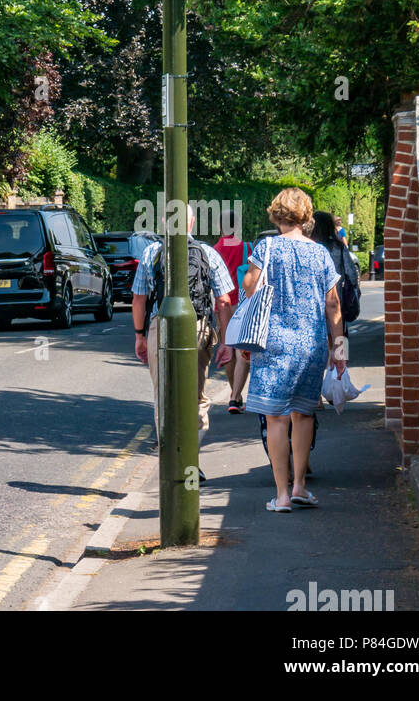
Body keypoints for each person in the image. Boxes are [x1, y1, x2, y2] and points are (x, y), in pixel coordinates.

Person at [243, 188, 346, 512]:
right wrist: (338, 349)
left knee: (275, 419)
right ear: (306, 216)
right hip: (310, 345)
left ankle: (282, 494)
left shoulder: (267, 247)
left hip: (272, 343)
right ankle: (300, 486)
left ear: (276, 215)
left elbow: (249, 285)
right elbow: (333, 303)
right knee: (304, 415)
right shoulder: (319, 253)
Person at [132, 205, 235, 471]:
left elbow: (139, 299)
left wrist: (140, 337)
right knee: (196, 397)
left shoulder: (151, 253)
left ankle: (170, 463)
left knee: (164, 396)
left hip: (160, 326)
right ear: (191, 224)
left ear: (166, 224)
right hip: (197, 328)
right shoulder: (207, 253)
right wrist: (225, 342)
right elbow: (224, 302)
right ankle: (189, 460)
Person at [213, 228, 249, 412]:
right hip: (243, 303)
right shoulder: (247, 247)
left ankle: (235, 394)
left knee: (227, 346)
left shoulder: (215, 249)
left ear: (220, 228)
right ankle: (235, 396)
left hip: (222, 306)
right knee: (241, 351)